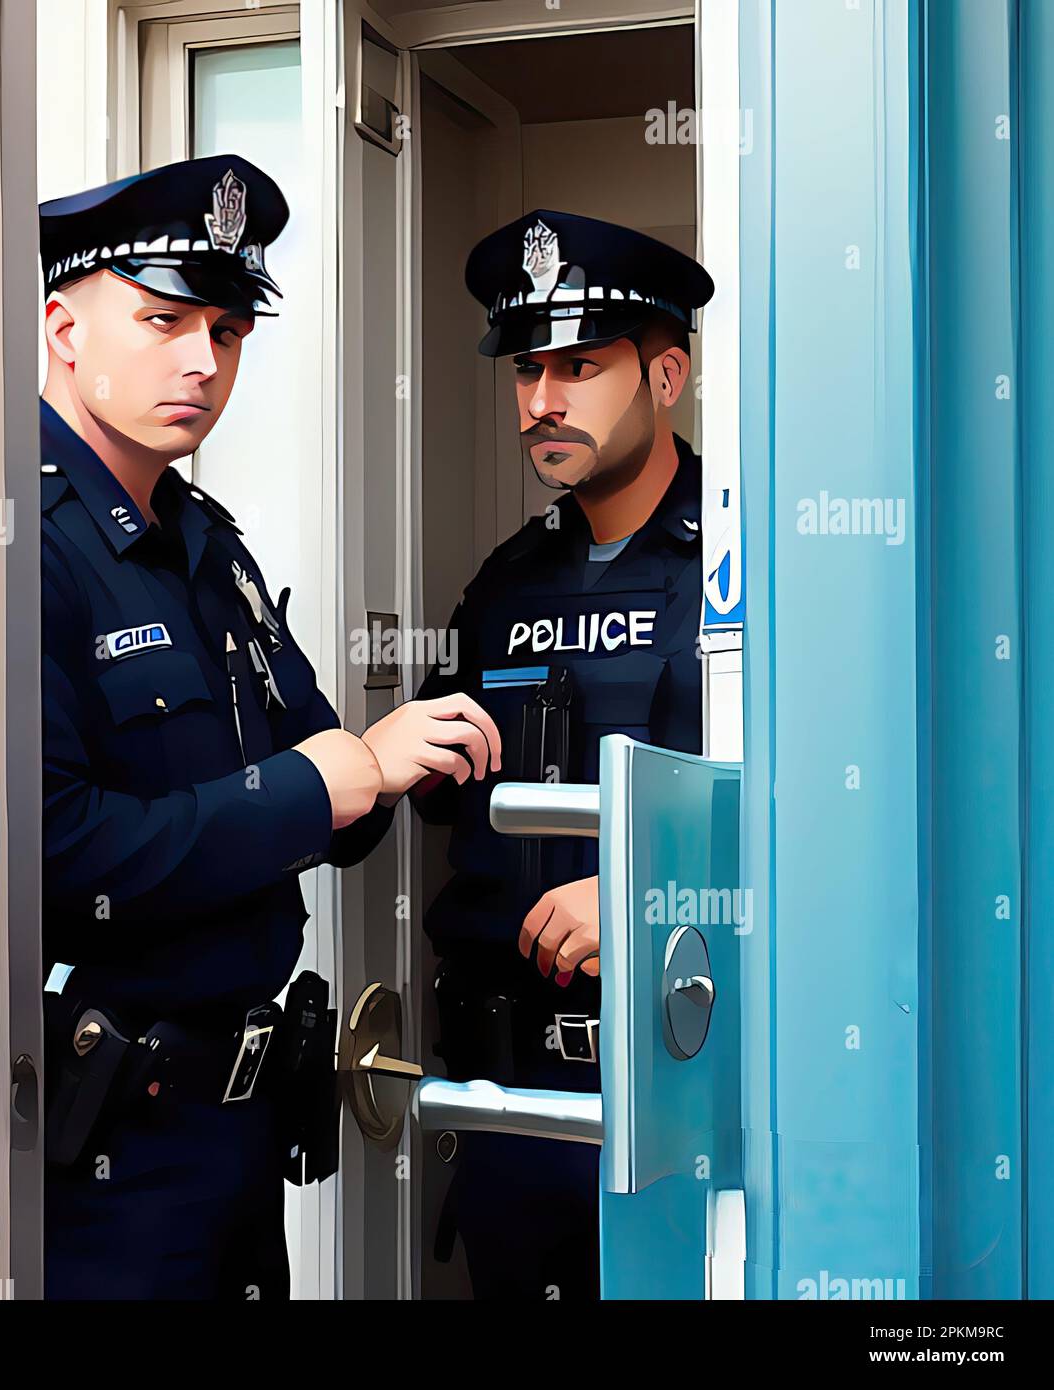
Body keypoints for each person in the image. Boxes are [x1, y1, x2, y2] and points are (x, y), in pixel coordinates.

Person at [37, 154, 500, 1299]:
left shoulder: (204, 540)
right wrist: (323, 784)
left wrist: (389, 766)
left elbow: (333, 794)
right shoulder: (19, 541)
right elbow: (56, 853)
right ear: (62, 326)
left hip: (240, 1131)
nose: (203, 361)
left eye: (229, 332)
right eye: (163, 321)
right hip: (109, 1153)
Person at [412, 209, 714, 1299]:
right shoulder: (502, 584)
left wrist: (646, 893)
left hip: (680, 1083)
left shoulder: (738, 555)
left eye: (579, 365)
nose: (542, 399)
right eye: (527, 367)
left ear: (665, 373)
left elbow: (817, 812)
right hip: (511, 1092)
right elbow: (445, 799)